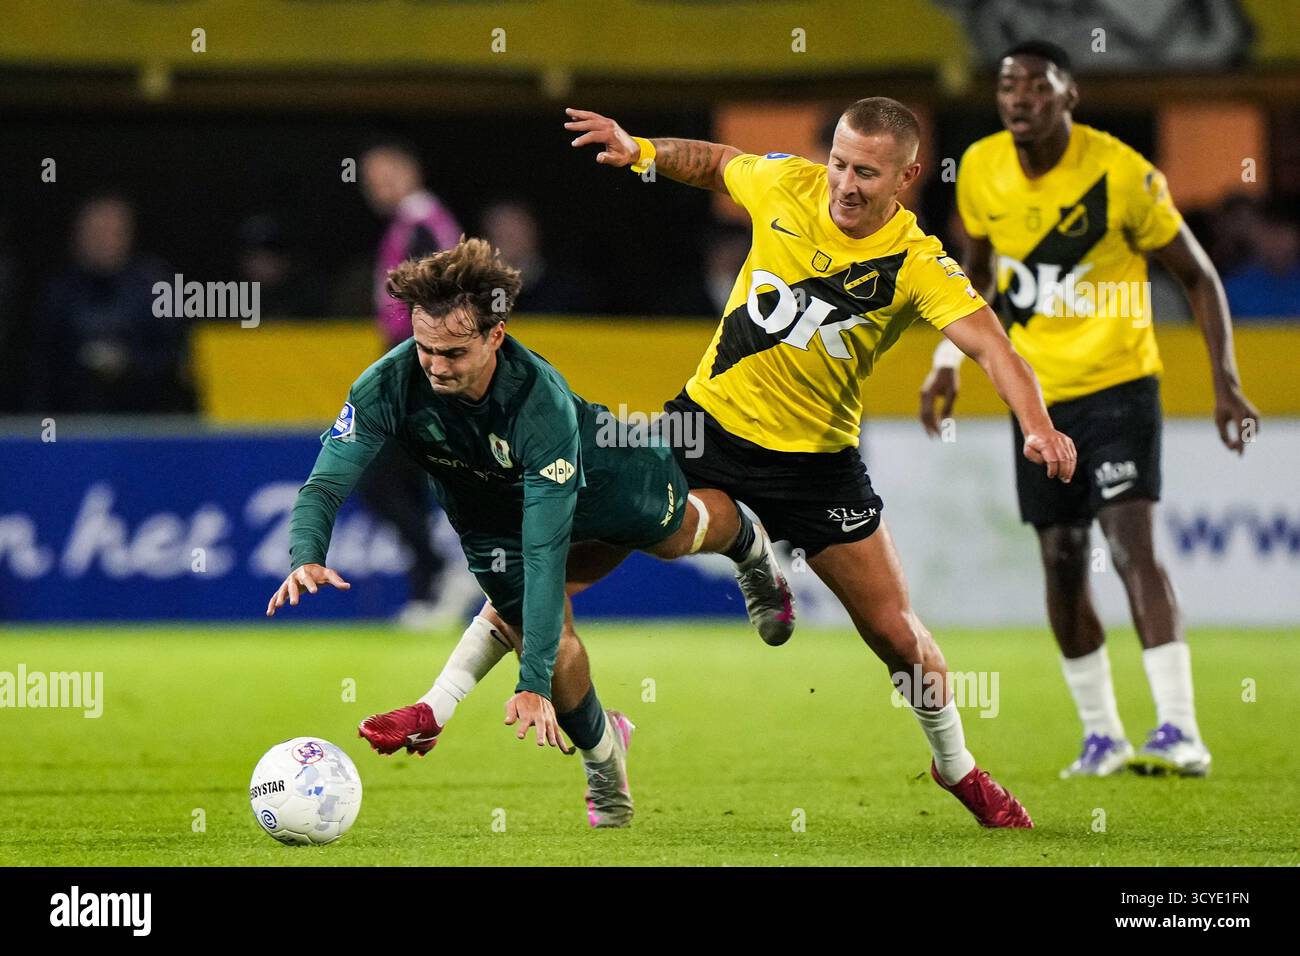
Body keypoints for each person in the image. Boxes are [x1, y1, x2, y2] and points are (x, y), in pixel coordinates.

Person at [554, 97, 1078, 829]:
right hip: (704, 430)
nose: (843, 183)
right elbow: (716, 164)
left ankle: (955, 766)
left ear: (907, 177)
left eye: (866, 172)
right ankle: (591, 745)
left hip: (815, 467)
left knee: (897, 635)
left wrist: (1039, 426)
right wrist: (639, 147)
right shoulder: (788, 185)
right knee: (561, 568)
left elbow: (994, 346)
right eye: (838, 162)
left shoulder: (916, 262)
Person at [266, 237, 794, 828]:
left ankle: (749, 544)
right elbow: (324, 485)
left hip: (607, 480)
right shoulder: (387, 384)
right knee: (530, 623)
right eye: (424, 348)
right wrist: (306, 554)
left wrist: (531, 681)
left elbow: (546, 553)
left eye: (454, 351)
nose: (436, 365)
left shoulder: (536, 402)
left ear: (496, 335)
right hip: (488, 514)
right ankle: (603, 756)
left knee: (674, 538)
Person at [919, 41, 1259, 778]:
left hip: (1119, 385)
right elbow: (969, 279)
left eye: (1038, 86)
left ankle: (1179, 729)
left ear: (1069, 95)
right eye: (1008, 86)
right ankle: (1102, 735)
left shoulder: (1121, 173)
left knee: (1131, 542)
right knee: (1062, 559)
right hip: (1035, 399)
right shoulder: (979, 169)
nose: (1020, 99)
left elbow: (1198, 277)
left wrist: (1224, 381)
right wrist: (948, 362)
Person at [358, 139, 474, 628]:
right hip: (413, 364)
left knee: (378, 477)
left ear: (412, 171)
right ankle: (430, 590)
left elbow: (442, 303)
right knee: (404, 479)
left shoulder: (423, 226)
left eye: (387, 174)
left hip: (416, 368)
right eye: (370, 178)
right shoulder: (414, 224)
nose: (377, 186)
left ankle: (442, 573)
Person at [33, 195, 191, 413]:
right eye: (93, 233)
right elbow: (41, 366)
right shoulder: (59, 290)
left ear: (128, 235)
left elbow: (177, 359)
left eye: (111, 232)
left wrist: (127, 364)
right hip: (74, 420)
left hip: (144, 420)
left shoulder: (154, 284)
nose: (102, 241)